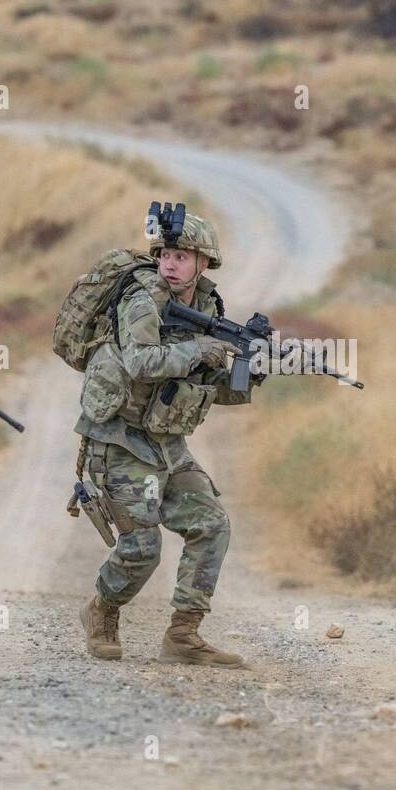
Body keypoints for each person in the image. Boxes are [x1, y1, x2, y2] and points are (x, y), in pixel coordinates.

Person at [74, 212, 257, 667]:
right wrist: (199, 349)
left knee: (211, 524)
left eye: (182, 257)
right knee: (142, 548)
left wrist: (253, 367)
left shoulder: (209, 309)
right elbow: (140, 363)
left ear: (203, 263)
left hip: (167, 442)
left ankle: (183, 635)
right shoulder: (141, 299)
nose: (171, 265)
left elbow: (217, 391)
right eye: (166, 256)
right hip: (118, 438)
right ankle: (102, 611)